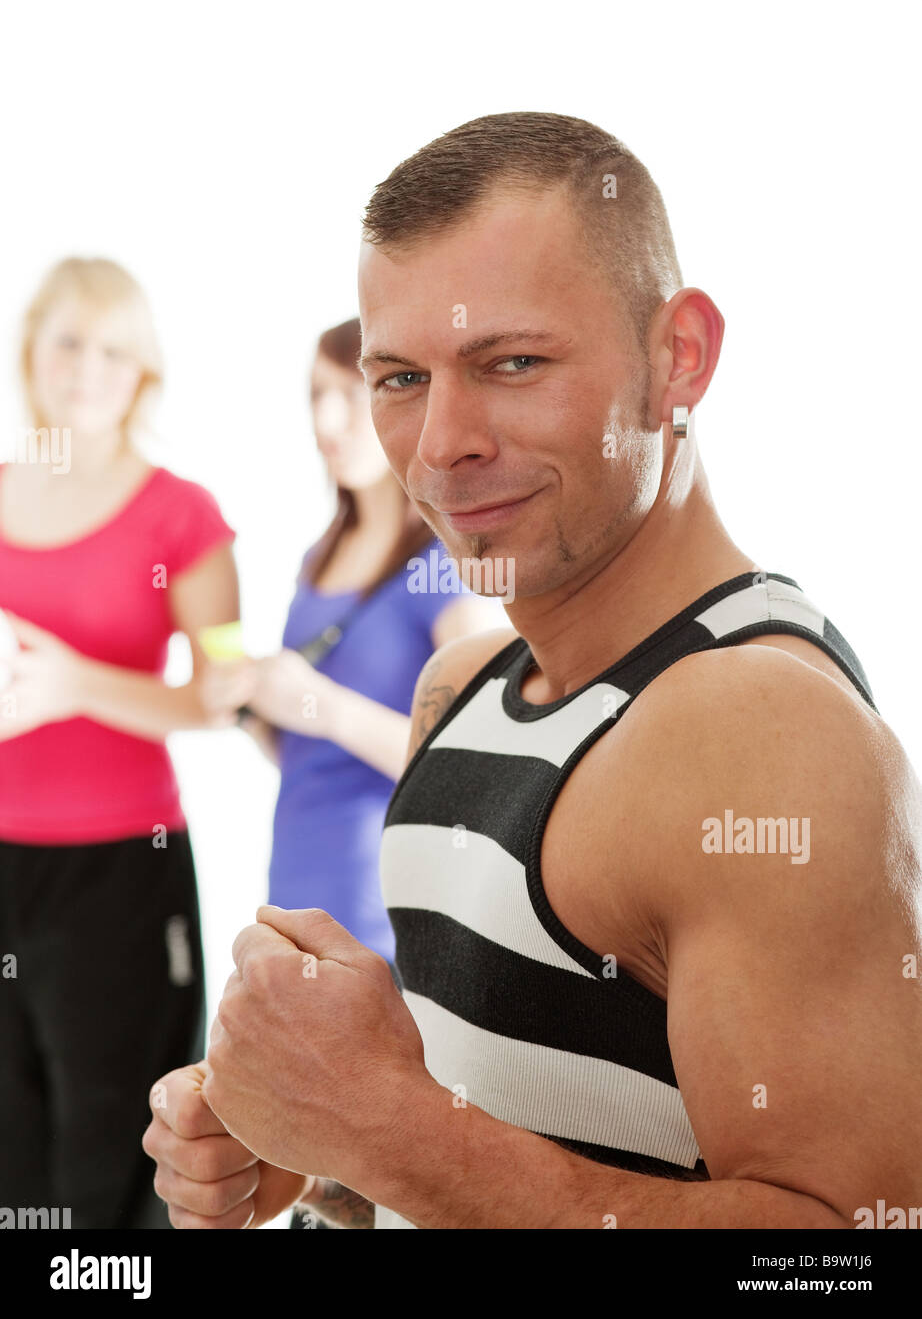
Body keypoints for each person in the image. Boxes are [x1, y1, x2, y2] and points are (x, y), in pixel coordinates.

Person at [143, 112, 922, 1230]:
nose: (440, 442)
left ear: (678, 358)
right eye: (401, 375)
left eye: (511, 362)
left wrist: (391, 1134)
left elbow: (843, 1248)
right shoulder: (460, 687)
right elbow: (490, 1119)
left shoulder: (756, 731)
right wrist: (315, 1152)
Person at [197, 317, 501, 1226]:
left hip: (384, 924)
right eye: (316, 398)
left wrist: (315, 703)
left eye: (354, 393)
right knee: (308, 1188)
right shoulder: (313, 562)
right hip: (294, 900)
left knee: (379, 1177)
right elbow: (308, 756)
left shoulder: (446, 565)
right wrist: (258, 710)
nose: (330, 420)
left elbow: (475, 750)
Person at [0, 256, 239, 1229]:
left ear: (142, 369)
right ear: (32, 355)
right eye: (67, 341)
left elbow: (224, 694)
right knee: (11, 1141)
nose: (86, 367)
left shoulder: (181, 515)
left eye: (112, 348)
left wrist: (72, 684)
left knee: (113, 1141)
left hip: (120, 874)